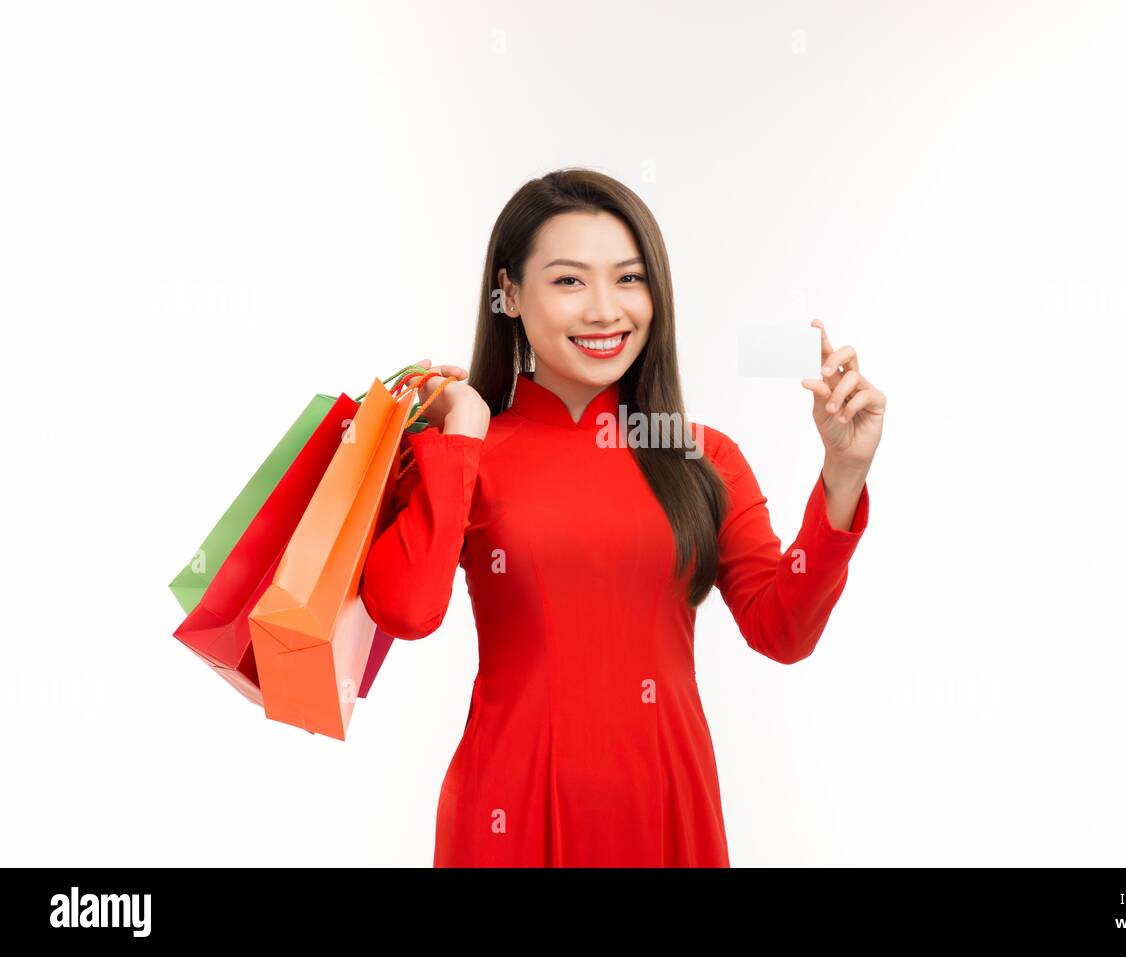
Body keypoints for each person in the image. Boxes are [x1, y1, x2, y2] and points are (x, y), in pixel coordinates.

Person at [359, 168, 886, 867]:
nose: (606, 310)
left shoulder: (702, 456)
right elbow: (405, 610)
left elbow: (782, 628)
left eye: (629, 279)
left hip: (667, 810)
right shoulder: (467, 451)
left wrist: (843, 477)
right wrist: (458, 436)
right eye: (570, 281)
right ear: (508, 293)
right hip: (509, 813)